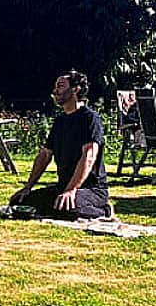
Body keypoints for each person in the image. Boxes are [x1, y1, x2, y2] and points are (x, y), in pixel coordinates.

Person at [9, 71, 110, 220]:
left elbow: (89, 156)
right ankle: (62, 204)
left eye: (61, 86)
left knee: (67, 209)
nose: (55, 91)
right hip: (63, 187)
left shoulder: (90, 118)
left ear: (75, 89)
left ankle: (104, 210)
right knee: (19, 202)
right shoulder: (60, 121)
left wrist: (72, 189)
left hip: (92, 190)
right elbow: (45, 155)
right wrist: (28, 187)